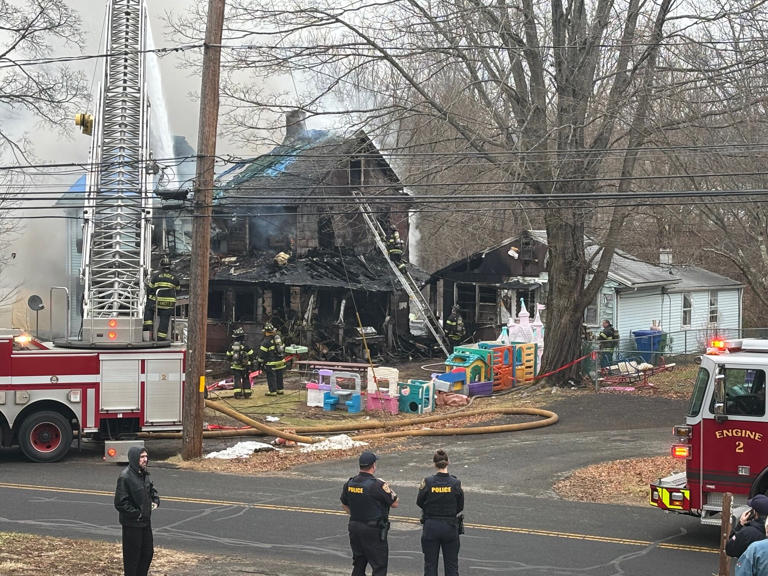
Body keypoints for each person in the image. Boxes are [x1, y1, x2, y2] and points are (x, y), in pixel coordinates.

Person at [340, 450, 399, 576]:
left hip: (355, 527)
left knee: (359, 563)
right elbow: (394, 503)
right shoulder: (377, 485)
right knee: (379, 566)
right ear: (373, 465)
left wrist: (357, 514)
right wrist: (387, 486)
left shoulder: (350, 483)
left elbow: (344, 504)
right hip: (373, 529)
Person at [417, 449, 464, 576]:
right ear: (448, 462)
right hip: (450, 526)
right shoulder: (455, 483)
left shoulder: (427, 482)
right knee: (452, 566)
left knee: (430, 565)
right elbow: (460, 506)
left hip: (431, 525)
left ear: (434, 464)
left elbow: (419, 501)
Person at [114, 446, 159, 576]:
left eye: (146, 456)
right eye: (142, 457)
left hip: (145, 523)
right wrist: (137, 513)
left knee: (147, 553)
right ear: (134, 458)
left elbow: (151, 490)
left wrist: (155, 500)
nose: (145, 459)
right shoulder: (125, 477)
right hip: (132, 525)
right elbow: (120, 503)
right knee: (132, 558)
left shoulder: (144, 474)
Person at [143, 255, 180, 341]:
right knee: (165, 319)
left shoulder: (156, 276)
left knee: (148, 308)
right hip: (169, 304)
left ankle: (149, 329)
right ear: (170, 266)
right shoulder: (175, 278)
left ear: (161, 266)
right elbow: (178, 290)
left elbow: (150, 289)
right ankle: (161, 338)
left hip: (157, 302)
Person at [258, 322, 286, 397]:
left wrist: (259, 362)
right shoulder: (277, 339)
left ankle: (273, 391)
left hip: (271, 363)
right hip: (280, 361)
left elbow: (261, 354)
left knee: (271, 376)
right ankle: (280, 390)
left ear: (266, 332)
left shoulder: (265, 342)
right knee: (279, 375)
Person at [227, 327, 254, 399]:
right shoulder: (246, 346)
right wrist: (250, 364)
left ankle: (237, 393)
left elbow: (228, 356)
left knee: (237, 379)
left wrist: (232, 361)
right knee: (246, 379)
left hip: (235, 367)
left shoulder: (231, 346)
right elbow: (251, 355)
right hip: (245, 367)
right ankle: (247, 393)